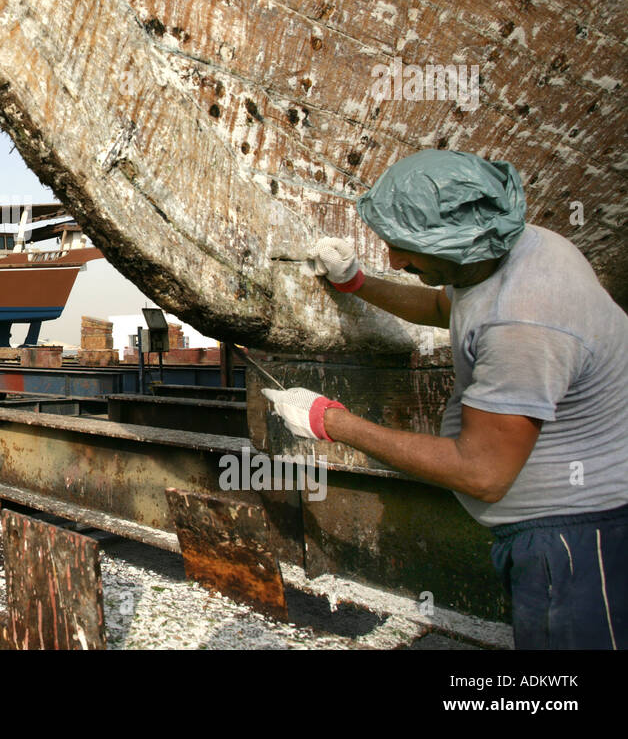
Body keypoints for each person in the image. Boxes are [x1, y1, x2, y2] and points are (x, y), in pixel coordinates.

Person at [264, 149, 626, 649]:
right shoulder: (514, 248)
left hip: (578, 540)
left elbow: (482, 473)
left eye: (405, 248)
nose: (396, 260)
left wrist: (331, 422)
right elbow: (443, 304)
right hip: (558, 529)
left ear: (457, 243)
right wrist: (358, 282)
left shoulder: (524, 321)